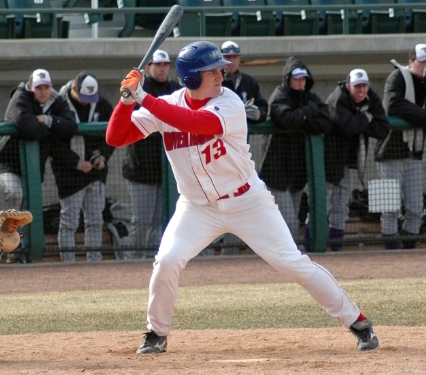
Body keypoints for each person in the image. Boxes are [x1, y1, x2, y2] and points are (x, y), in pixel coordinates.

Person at [106, 40, 378, 355]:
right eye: (213, 71)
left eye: (221, 68)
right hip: (196, 207)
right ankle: (156, 333)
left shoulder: (229, 102)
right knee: (167, 260)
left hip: (247, 201)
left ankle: (357, 321)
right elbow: (116, 136)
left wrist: (143, 98)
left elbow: (197, 123)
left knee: (292, 263)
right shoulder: (167, 104)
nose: (222, 74)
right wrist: (126, 102)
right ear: (192, 78)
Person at [0, 69, 77, 263]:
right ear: (31, 87)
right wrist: (52, 129)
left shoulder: (56, 100)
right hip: (7, 163)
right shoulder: (21, 95)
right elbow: (25, 124)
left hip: (33, 166)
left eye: (46, 87)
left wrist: (47, 120)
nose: (43, 91)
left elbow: (71, 126)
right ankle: (9, 246)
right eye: (39, 87)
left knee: (30, 210)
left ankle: (23, 251)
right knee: (16, 195)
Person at [377, 44, 426, 249]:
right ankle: (390, 250)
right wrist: (425, 118)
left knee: (416, 208)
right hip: (388, 153)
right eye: (423, 62)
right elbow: (393, 104)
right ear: (410, 62)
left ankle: (409, 251)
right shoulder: (397, 77)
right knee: (389, 208)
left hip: (414, 154)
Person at [259, 57, 333, 251]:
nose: (301, 83)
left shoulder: (309, 96)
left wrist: (304, 115)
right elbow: (286, 119)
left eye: (303, 79)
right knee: (289, 222)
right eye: (297, 79)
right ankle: (292, 258)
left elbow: (326, 121)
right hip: (277, 171)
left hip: (297, 172)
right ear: (288, 78)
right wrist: (309, 112)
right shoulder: (279, 94)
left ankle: (287, 256)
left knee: (293, 219)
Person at [118, 50, 181, 260]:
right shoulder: (141, 88)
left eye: (165, 64)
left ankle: (152, 258)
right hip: (140, 167)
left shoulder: (174, 88)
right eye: (158, 64)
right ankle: (131, 258)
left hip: (165, 169)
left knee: (160, 220)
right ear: (148, 67)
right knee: (142, 220)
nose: (162, 68)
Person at [324, 69, 390, 251]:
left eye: (364, 86)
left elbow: (383, 127)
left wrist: (361, 121)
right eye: (357, 86)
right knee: (320, 207)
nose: (361, 91)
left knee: (340, 208)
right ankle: (314, 250)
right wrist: (368, 117)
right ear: (348, 86)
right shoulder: (338, 98)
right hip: (326, 161)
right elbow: (350, 126)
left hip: (346, 162)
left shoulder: (371, 97)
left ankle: (336, 249)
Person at [56, 72, 115, 262]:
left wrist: (103, 156)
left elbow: (113, 132)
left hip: (96, 173)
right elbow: (54, 143)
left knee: (96, 220)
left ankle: (94, 261)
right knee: (69, 221)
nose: (87, 102)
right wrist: (76, 162)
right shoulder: (59, 104)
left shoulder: (102, 104)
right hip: (70, 174)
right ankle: (68, 264)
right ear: (74, 89)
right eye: (83, 97)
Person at [218, 40, 269, 255]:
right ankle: (210, 253)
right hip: (217, 151)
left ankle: (231, 251)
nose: (231, 61)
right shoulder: (214, 81)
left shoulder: (248, 81)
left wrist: (258, 114)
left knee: (239, 200)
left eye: (235, 57)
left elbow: (263, 106)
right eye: (227, 57)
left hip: (240, 151)